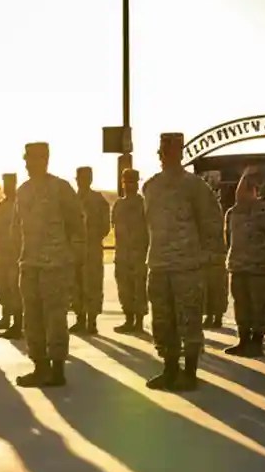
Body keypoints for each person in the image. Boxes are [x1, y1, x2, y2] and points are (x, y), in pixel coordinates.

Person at [143, 133, 225, 392]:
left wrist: (205, 258)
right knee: (163, 320)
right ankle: (169, 369)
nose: (167, 155)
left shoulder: (195, 186)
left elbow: (211, 222)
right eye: (164, 150)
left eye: (173, 149)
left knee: (189, 320)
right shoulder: (151, 186)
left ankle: (189, 373)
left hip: (187, 266)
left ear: (181, 152)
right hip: (158, 264)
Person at [14, 142, 83, 387]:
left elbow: (77, 224)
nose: (28, 163)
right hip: (30, 263)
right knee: (32, 318)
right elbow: (18, 228)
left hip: (55, 264)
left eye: (33, 158)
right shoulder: (23, 191)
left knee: (55, 318)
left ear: (45, 159)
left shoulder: (61, 188)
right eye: (27, 158)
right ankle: (39, 366)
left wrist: (70, 257)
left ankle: (56, 369)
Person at [223, 171, 265, 357]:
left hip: (258, 268)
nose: (242, 192)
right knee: (240, 306)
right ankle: (243, 340)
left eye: (247, 188)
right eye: (240, 187)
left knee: (258, 306)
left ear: (255, 190)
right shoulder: (232, 212)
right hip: (237, 266)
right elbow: (228, 239)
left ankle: (257, 342)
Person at [71, 166, 110, 335]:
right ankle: (80, 319)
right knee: (76, 285)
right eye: (80, 178)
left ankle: (92, 321)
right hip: (74, 249)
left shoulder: (98, 200)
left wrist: (93, 237)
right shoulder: (71, 199)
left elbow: (105, 226)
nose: (83, 181)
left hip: (92, 249)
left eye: (87, 177)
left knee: (93, 284)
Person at [111, 168, 149, 334]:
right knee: (124, 288)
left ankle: (139, 321)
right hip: (122, 254)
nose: (129, 185)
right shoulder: (119, 204)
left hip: (139, 253)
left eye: (132, 182)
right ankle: (128, 319)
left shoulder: (143, 204)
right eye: (126, 182)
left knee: (139, 288)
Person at [0, 173, 23, 338]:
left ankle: (17, 324)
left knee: (15, 289)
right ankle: (6, 318)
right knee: (3, 286)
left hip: (16, 255)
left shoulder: (20, 204)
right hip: (2, 255)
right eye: (5, 184)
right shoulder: (2, 205)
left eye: (9, 183)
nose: (6, 187)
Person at [201, 184, 230, 330]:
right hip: (206, 254)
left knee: (217, 287)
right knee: (208, 287)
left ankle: (217, 316)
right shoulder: (205, 210)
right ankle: (210, 315)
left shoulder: (214, 210)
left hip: (216, 254)